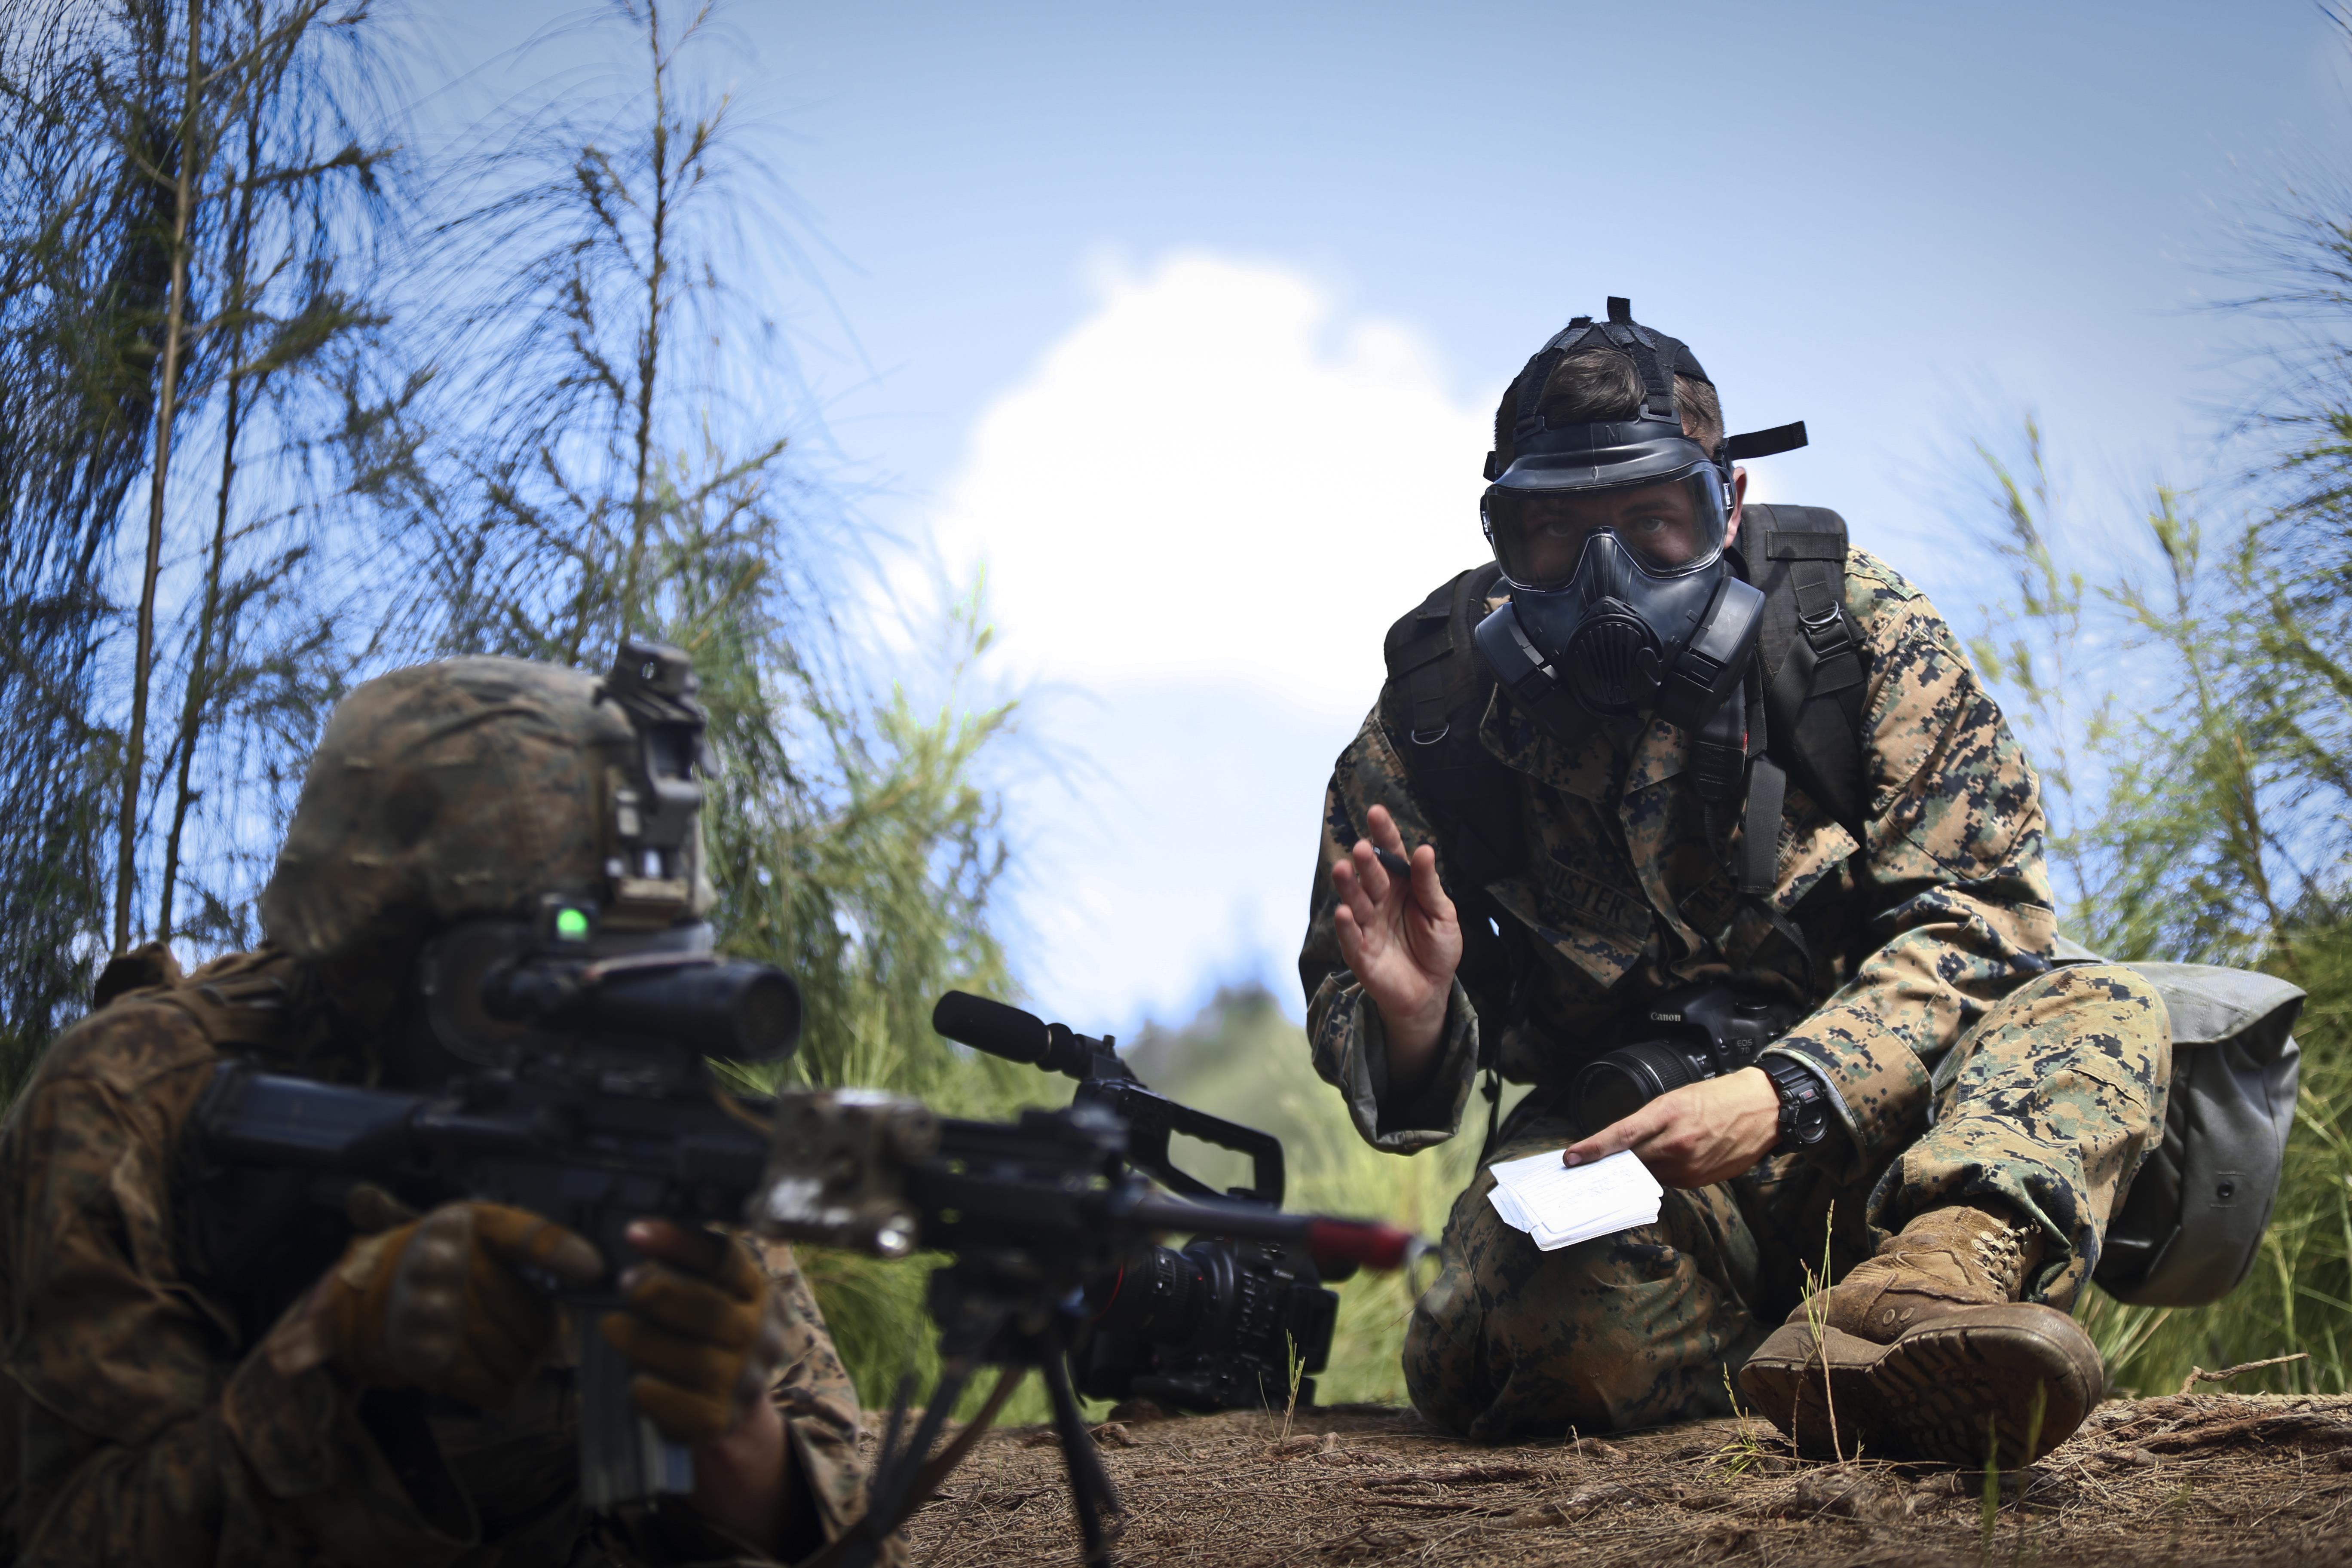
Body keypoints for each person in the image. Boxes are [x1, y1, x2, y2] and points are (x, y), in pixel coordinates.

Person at [1298, 299, 2170, 1464]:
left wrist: (1786, 1091)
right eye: (1557, 533)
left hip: (1883, 1128)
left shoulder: (1849, 632)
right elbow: (1366, 1035)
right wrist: (1412, 1023)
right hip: (1633, 1159)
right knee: (1508, 1341)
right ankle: (1811, 1367)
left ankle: (1932, 1290)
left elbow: (1981, 927)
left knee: (2100, 1012)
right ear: (1502, 535)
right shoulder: (1439, 711)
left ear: (1731, 502)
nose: (1606, 574)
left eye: (1655, 520)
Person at [0, 652, 882, 1565]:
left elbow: (849, 1519)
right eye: (536, 971)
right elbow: (68, 1536)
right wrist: (332, 1355)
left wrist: (755, 1476)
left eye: (638, 968)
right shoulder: (132, 1101)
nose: (590, 1027)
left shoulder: (644, 1128)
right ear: (368, 948)